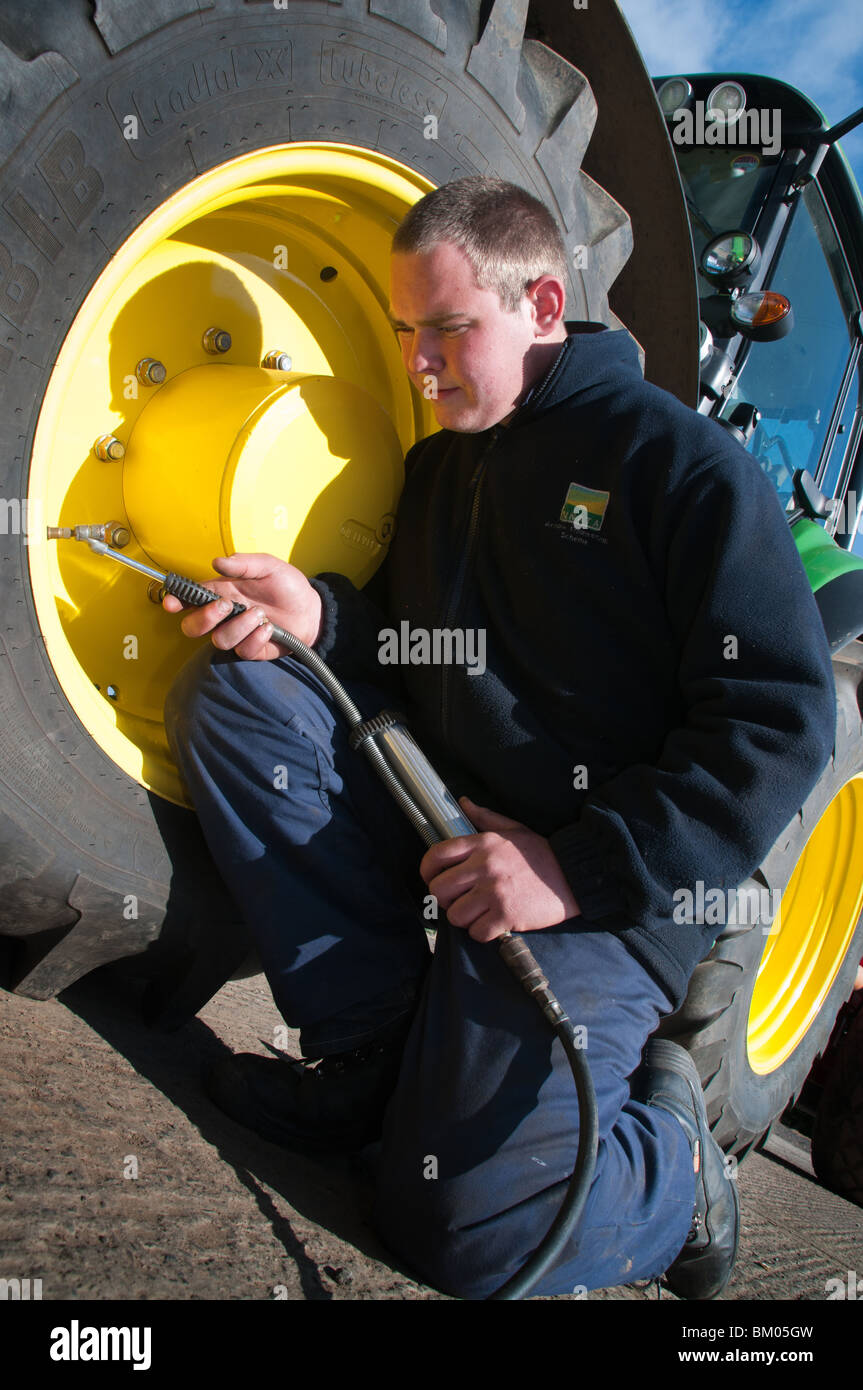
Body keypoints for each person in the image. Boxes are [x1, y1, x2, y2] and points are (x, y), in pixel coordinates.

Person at [163, 176, 836, 1300]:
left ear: (542, 304)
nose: (418, 361)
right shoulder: (438, 470)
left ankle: (676, 1168)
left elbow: (778, 718)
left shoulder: (683, 469)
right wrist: (319, 618)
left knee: (469, 1225)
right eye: (403, 332)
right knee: (240, 695)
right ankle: (373, 1057)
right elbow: (409, 653)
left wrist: (572, 865)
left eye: (446, 329)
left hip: (604, 889)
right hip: (453, 826)